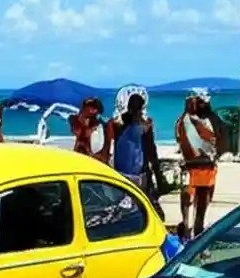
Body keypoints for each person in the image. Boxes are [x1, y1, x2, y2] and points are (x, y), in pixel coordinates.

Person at [107, 88, 165, 219]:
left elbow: (150, 150)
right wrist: (158, 175)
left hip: (131, 174)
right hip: (129, 174)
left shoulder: (119, 124)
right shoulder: (122, 125)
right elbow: (151, 151)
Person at [175, 91, 223, 240]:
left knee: (194, 202)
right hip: (199, 166)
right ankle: (193, 232)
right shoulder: (193, 121)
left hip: (197, 167)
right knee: (197, 202)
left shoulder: (184, 121)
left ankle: (191, 232)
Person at [69, 97, 108, 162]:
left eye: (93, 109)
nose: (90, 111)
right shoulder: (74, 119)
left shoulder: (97, 123)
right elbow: (78, 132)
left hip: (92, 158)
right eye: (88, 107)